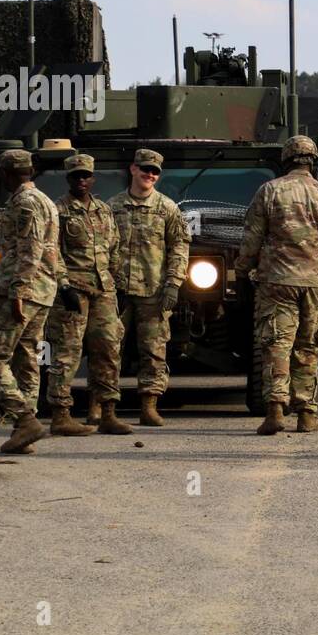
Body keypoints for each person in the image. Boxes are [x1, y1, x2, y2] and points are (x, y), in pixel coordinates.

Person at [235, 135, 318, 435]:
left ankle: (275, 408)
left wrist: (242, 269)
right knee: (309, 345)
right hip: (315, 282)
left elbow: (252, 238)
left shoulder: (270, 191)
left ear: (286, 159)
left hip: (277, 280)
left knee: (277, 343)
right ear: (313, 160)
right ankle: (307, 413)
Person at [0, 148, 65, 454]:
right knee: (27, 358)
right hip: (42, 291)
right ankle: (23, 431)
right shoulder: (45, 200)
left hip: (20, 291)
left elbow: (31, 249)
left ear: (8, 173)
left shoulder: (26, 203)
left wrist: (18, 289)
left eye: (1, 172)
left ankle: (23, 418)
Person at [44, 153, 132, 436]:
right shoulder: (58, 211)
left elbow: (114, 249)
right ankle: (61, 414)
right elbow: (51, 252)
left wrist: (119, 284)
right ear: (68, 179)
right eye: (76, 176)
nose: (81, 180)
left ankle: (108, 412)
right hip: (74, 291)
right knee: (67, 352)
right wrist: (63, 285)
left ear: (93, 178)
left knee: (108, 350)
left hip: (104, 290)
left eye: (86, 175)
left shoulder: (103, 211)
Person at [108, 149, 189, 427]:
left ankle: (149, 406)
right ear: (133, 169)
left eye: (155, 171)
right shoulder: (113, 207)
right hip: (117, 291)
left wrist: (174, 284)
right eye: (145, 169)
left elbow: (179, 247)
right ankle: (104, 407)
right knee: (108, 349)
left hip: (153, 291)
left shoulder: (167, 208)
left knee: (154, 350)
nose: (150, 175)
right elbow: (101, 248)